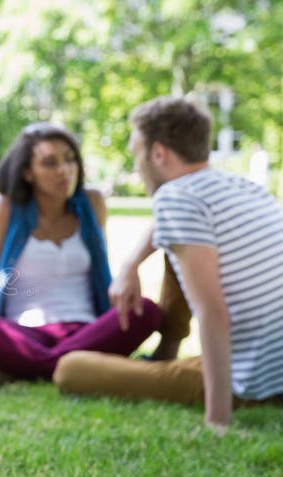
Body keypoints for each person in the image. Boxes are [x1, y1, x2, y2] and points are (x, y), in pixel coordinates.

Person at [53, 96, 283, 431]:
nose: (136, 164)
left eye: (136, 152)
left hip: (256, 378)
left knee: (70, 369)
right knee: (178, 248)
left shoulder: (176, 199)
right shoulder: (242, 187)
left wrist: (218, 419)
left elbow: (214, 314)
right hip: (272, 357)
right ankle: (166, 353)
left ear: (158, 153)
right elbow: (164, 228)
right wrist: (131, 264)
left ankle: (165, 365)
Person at [0, 123, 161, 381]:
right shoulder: (4, 208)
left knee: (146, 310)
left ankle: (35, 368)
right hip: (23, 334)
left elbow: (101, 269)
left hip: (86, 330)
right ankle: (72, 367)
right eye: (50, 163)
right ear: (28, 173)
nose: (64, 170)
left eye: (70, 160)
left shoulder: (92, 203)